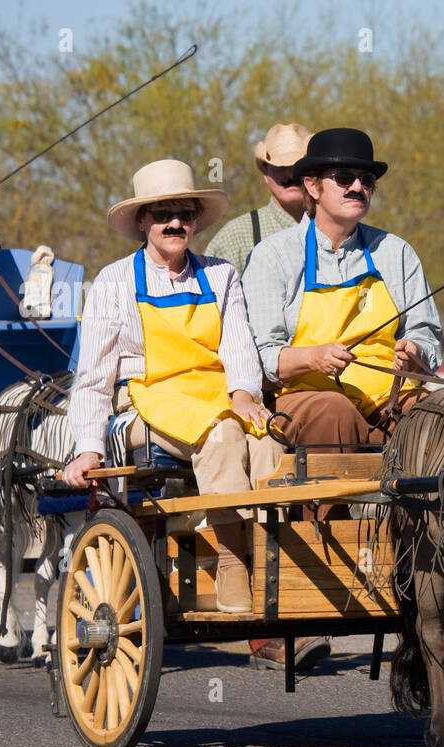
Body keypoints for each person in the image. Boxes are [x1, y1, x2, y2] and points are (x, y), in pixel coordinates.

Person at [62, 159, 279, 615]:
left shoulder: (220, 274)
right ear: (143, 222)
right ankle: (230, 561)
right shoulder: (113, 282)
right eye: (162, 214)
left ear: (196, 221)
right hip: (149, 398)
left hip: (217, 393)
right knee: (221, 435)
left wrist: (245, 394)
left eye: (184, 213)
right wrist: (87, 447)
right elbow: (94, 375)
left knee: (268, 442)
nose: (175, 222)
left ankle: (272, 558)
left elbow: (239, 344)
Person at [243, 127, 442, 453]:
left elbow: (426, 333)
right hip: (306, 398)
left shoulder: (396, 252)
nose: (358, 187)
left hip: (389, 396)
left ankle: (431, 504)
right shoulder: (272, 256)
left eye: (367, 180)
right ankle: (327, 505)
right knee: (335, 411)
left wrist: (416, 353)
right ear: (312, 185)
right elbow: (263, 355)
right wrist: (314, 357)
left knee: (440, 413)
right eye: (344, 177)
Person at [205, 122, 312, 277]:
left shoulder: (338, 230)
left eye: (298, 166)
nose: (290, 175)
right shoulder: (235, 237)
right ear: (265, 174)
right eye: (280, 167)